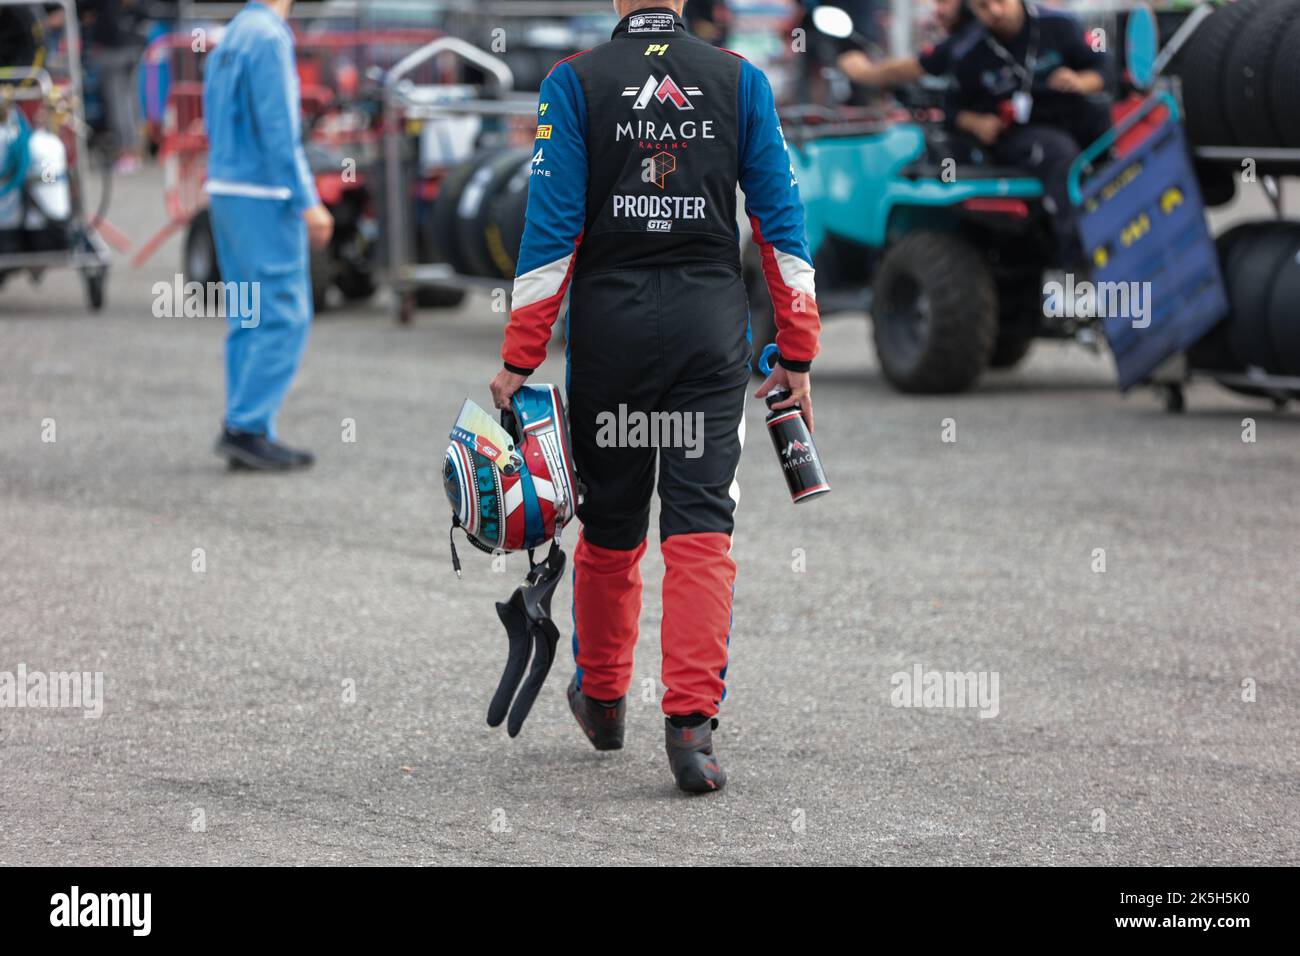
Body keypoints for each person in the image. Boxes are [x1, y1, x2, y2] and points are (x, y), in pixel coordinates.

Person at [488, 1, 821, 794]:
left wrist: (519, 356)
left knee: (610, 522)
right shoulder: (739, 80)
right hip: (710, 332)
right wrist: (798, 351)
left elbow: (551, 230)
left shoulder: (574, 83)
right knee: (701, 523)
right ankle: (692, 734)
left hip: (612, 333)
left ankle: (603, 701)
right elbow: (781, 223)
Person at [204, 0, 333, 471]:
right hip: (263, 191)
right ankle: (248, 425)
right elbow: (280, 131)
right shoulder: (270, 36)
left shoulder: (234, 31)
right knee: (283, 314)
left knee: (247, 311)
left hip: (226, 186)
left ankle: (245, 423)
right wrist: (308, 201)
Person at [950, 0, 1110, 264]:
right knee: (1059, 153)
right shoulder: (969, 51)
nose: (995, 11)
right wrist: (977, 123)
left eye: (1000, 2)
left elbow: (1103, 68)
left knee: (1110, 130)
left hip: (1073, 117)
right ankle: (1079, 257)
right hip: (1020, 134)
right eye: (983, 6)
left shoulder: (1059, 24)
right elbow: (951, 110)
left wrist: (1081, 81)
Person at [836, 0, 979, 89]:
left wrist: (863, 72)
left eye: (944, 2)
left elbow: (915, 67)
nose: (937, 10)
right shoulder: (966, 35)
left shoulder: (970, 37)